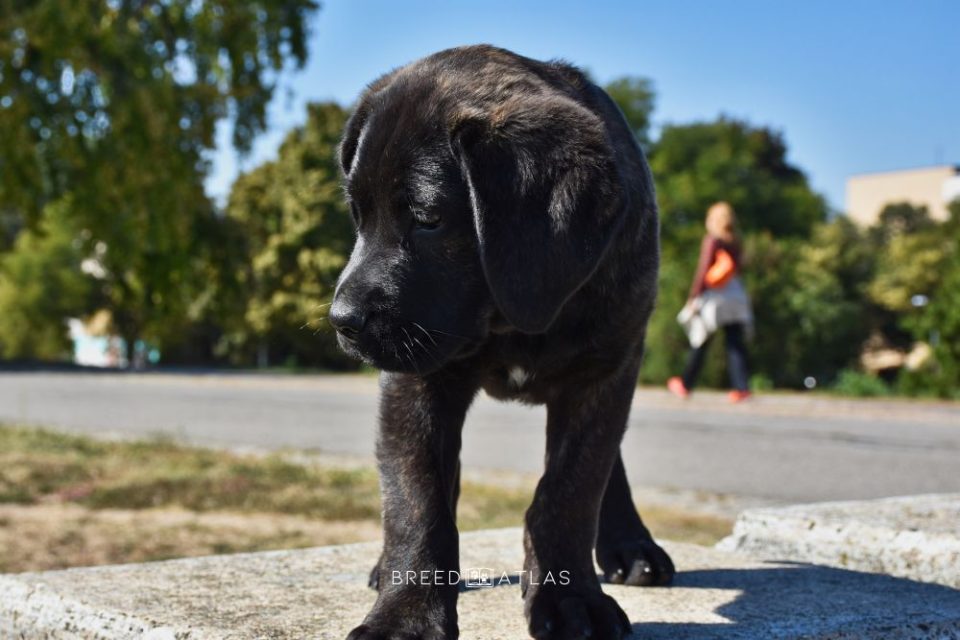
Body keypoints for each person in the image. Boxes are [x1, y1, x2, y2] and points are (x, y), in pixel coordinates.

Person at [669, 201, 754, 402]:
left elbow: (704, 269)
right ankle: (741, 387)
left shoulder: (713, 240)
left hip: (716, 296)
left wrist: (694, 296)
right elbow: (739, 269)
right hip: (735, 295)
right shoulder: (736, 241)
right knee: (735, 342)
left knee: (701, 339)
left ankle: (685, 383)